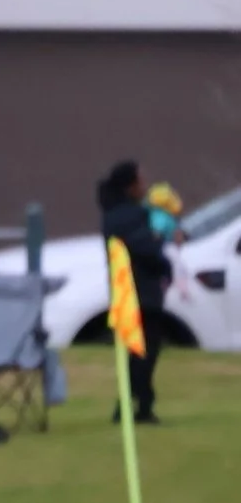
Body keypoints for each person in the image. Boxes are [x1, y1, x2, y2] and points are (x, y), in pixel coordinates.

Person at [100, 161, 169, 424]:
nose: (145, 185)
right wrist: (164, 262)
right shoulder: (131, 216)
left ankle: (131, 404)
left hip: (128, 291)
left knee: (137, 351)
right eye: (141, 181)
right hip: (140, 291)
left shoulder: (114, 213)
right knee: (144, 350)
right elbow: (145, 249)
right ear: (130, 186)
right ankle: (140, 406)